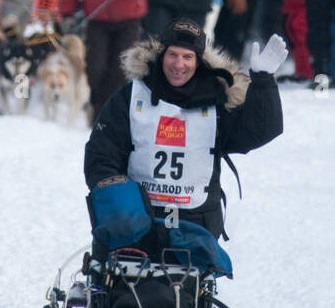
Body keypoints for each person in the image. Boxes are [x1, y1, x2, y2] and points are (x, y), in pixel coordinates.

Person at [84, 19, 286, 238]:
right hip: (136, 219)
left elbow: (259, 131)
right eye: (173, 54)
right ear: (161, 55)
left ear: (198, 61)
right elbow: (101, 154)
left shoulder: (218, 100)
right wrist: (118, 201)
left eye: (188, 56)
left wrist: (263, 81)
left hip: (197, 222)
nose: (179, 64)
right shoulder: (131, 97)